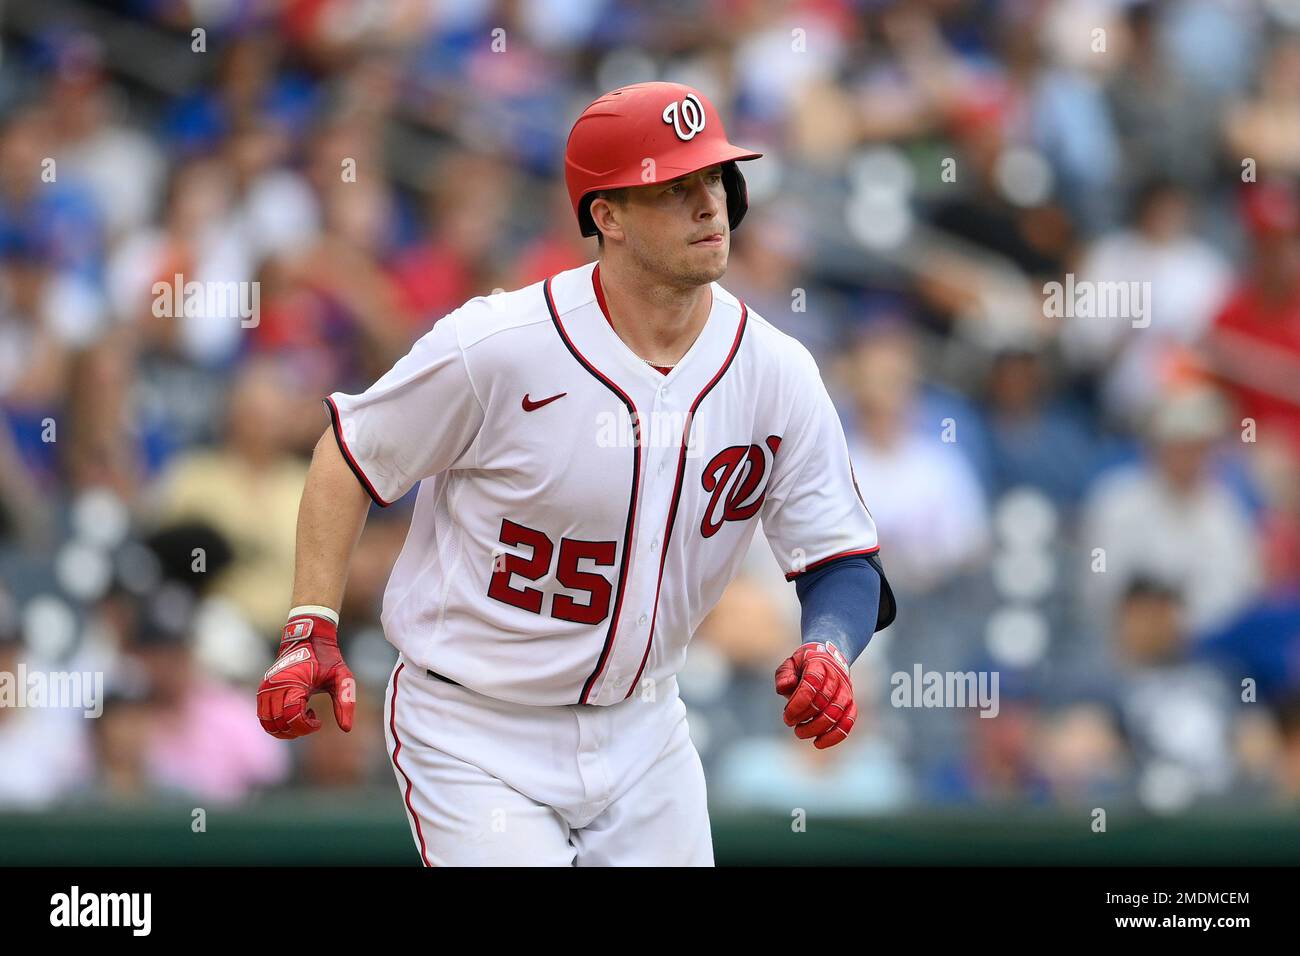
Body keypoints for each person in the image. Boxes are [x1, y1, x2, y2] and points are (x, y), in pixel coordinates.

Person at [256, 82, 895, 866]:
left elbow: (840, 558)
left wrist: (829, 648)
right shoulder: (501, 344)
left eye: (716, 180)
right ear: (608, 216)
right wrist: (310, 621)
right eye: (674, 186)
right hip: (475, 727)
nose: (709, 205)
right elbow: (350, 451)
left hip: (646, 726)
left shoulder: (777, 373)